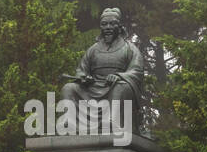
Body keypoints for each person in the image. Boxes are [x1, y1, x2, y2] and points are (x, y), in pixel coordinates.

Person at [60, 7, 144, 135]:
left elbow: (136, 71)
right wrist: (84, 78)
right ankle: (69, 121)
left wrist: (119, 76)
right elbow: (81, 70)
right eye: (104, 24)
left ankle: (110, 121)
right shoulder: (93, 50)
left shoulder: (130, 49)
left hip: (115, 87)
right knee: (69, 88)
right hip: (93, 89)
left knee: (121, 87)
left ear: (119, 26)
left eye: (112, 23)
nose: (108, 27)